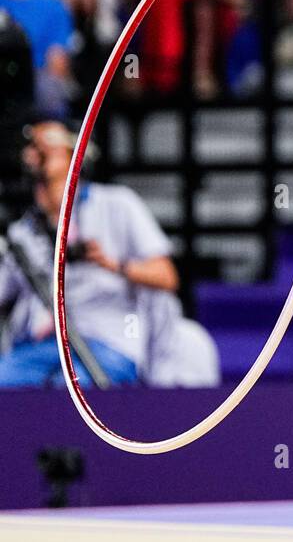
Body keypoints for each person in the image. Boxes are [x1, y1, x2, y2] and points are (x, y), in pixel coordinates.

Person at [0, 119, 218, 388]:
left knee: (67, 391)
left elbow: (167, 276)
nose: (39, 150)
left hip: (108, 339)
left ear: (75, 153)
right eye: (34, 145)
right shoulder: (21, 231)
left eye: (49, 143)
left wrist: (112, 264)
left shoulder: (117, 204)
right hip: (40, 344)